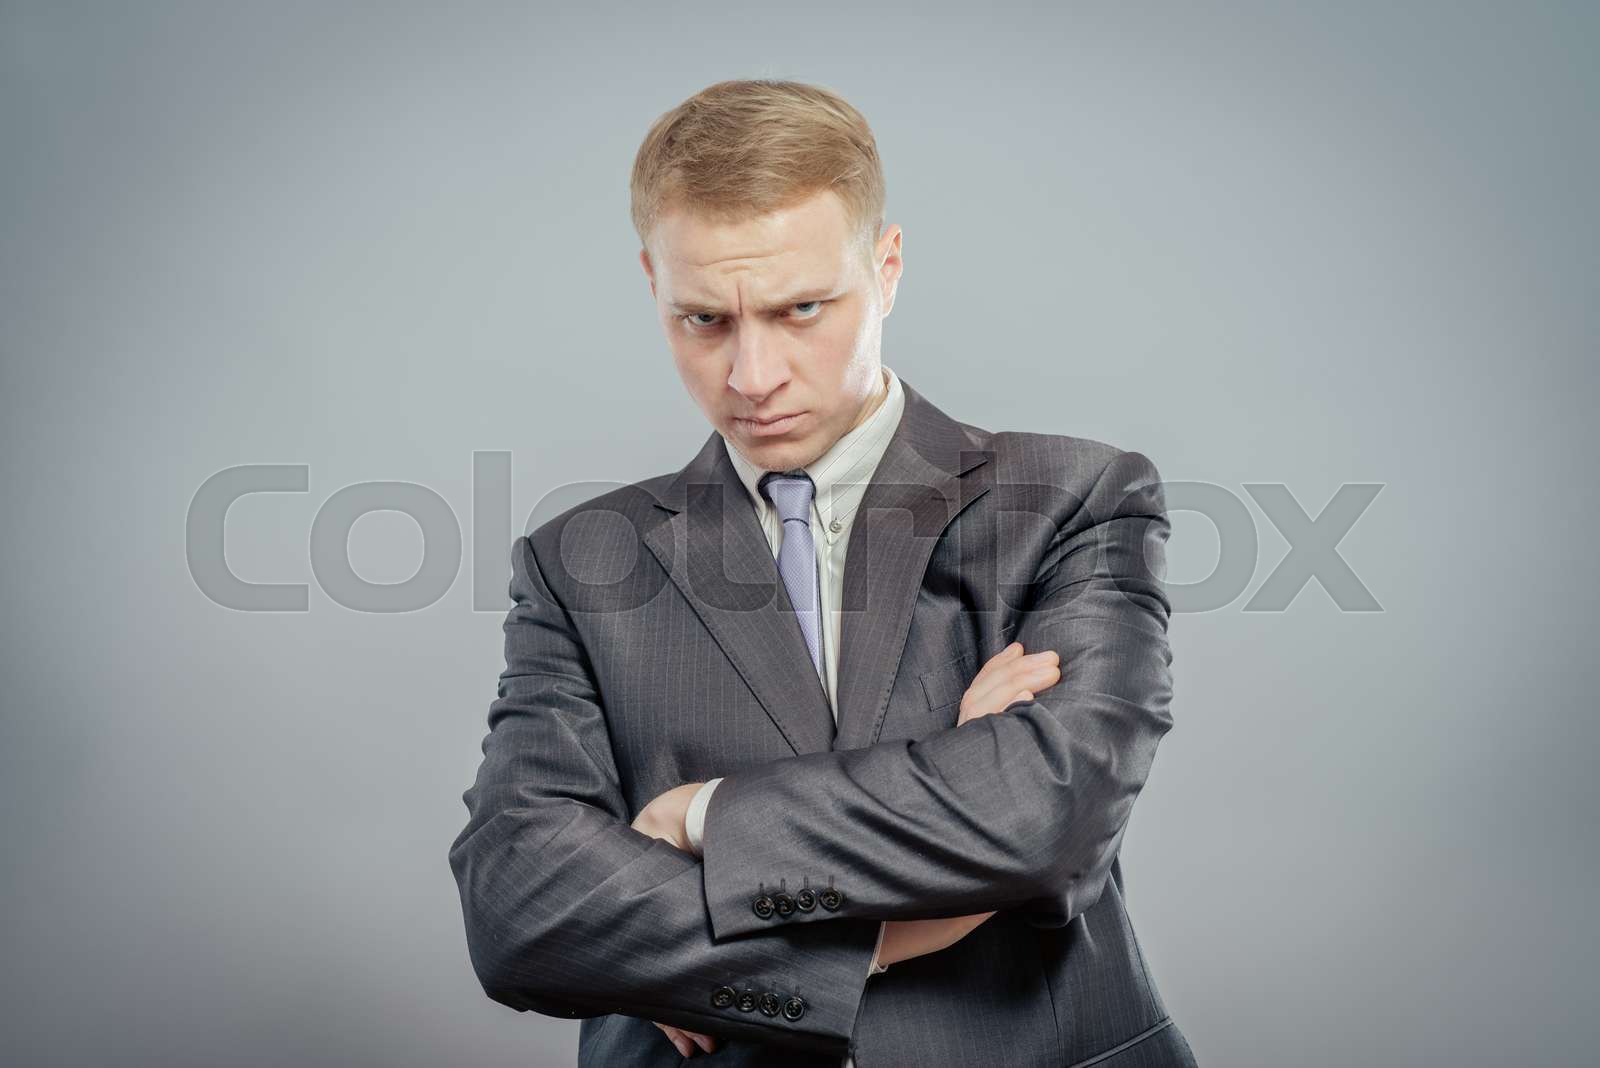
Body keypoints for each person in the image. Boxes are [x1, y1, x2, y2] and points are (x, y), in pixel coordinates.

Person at [449, 78, 1197, 1067]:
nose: (752, 376)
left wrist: (696, 821)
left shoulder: (1072, 498)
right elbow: (519, 905)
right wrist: (897, 909)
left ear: (885, 269)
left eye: (801, 309)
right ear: (650, 286)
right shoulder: (579, 565)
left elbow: (1042, 818)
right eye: (703, 320)